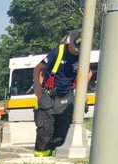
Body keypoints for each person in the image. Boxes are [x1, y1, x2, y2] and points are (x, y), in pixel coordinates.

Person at [33, 29, 82, 157]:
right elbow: (38, 68)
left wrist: (82, 94)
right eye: (75, 46)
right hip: (48, 95)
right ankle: (41, 157)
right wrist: (38, 90)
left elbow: (88, 73)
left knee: (62, 131)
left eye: (79, 48)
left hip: (66, 95)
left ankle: (56, 156)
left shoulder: (82, 56)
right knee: (45, 130)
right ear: (70, 42)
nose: (77, 50)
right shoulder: (58, 52)